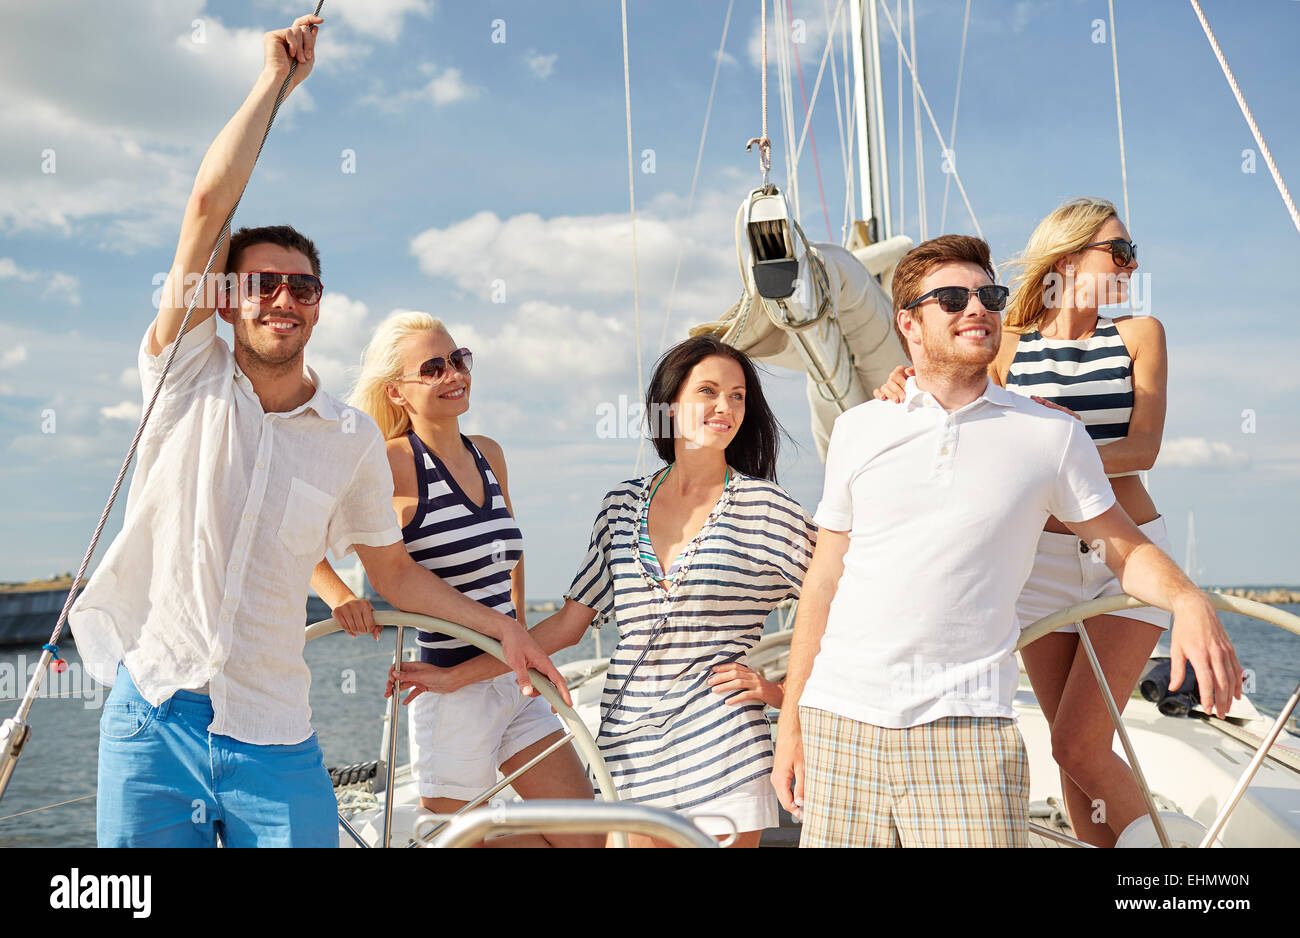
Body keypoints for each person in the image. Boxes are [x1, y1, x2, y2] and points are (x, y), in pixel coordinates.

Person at [68, 12, 567, 849]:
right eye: (262, 282)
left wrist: (506, 629)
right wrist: (275, 84)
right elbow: (204, 207)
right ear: (228, 300)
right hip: (152, 720)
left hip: (274, 732)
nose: (282, 299)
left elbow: (397, 579)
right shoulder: (186, 375)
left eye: (302, 288)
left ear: (320, 305)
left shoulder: (348, 439)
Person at [773, 234, 1241, 848]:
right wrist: (792, 723)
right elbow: (826, 578)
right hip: (841, 723)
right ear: (908, 323)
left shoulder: (1050, 435)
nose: (977, 308)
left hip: (966, 735)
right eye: (952, 298)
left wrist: (1187, 599)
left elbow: (1121, 547)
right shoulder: (861, 429)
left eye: (988, 295)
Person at [390, 336, 816, 847]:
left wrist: (782, 694)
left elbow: (844, 607)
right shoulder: (622, 506)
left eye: (738, 395)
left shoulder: (765, 509)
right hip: (630, 750)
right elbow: (567, 628)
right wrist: (457, 676)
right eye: (708, 391)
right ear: (669, 406)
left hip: (722, 747)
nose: (725, 407)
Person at [872, 199, 1195, 846]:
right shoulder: (1007, 345)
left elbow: (1143, 449)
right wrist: (901, 380)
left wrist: (1053, 456)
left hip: (1124, 558)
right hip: (1038, 570)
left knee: (1080, 743)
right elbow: (951, 409)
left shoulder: (1139, 334)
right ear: (1068, 257)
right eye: (1121, 252)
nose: (1133, 266)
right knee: (1069, 753)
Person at [312, 311, 600, 847]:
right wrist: (340, 594)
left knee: (587, 838)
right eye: (434, 367)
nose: (454, 374)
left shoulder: (489, 453)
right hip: (448, 688)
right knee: (454, 841)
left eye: (458, 359)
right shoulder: (387, 464)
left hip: (513, 677)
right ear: (396, 392)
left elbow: (512, 554)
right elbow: (300, 535)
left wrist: (515, 628)